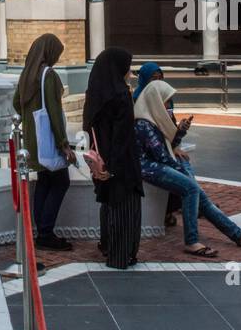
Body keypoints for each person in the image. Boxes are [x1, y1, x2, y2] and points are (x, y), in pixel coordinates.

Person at [133, 80, 241, 257]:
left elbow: (169, 147)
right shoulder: (144, 124)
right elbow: (162, 155)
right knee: (191, 188)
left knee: (199, 195)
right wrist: (185, 175)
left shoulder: (155, 119)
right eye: (165, 101)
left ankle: (238, 235)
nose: (168, 105)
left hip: (160, 164)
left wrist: (180, 132)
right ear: (155, 101)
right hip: (148, 168)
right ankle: (191, 241)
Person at [13, 33, 77, 251]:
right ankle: (46, 232)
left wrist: (29, 117)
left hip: (33, 139)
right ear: (49, 52)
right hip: (48, 138)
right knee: (60, 182)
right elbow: (54, 111)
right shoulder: (48, 75)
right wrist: (63, 143)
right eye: (57, 53)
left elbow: (15, 103)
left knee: (44, 180)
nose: (57, 58)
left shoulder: (27, 73)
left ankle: (41, 230)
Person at [82, 47, 143, 269]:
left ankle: (108, 248)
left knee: (108, 205)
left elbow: (90, 130)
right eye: (127, 67)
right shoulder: (121, 96)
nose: (129, 71)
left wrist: (103, 166)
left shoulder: (95, 95)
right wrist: (115, 168)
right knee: (126, 207)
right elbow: (123, 136)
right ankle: (122, 255)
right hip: (121, 164)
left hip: (100, 161)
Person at [132, 61, 191, 226]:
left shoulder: (167, 101)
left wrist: (178, 132)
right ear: (144, 80)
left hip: (166, 145)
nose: (158, 82)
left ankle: (197, 203)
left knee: (186, 166)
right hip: (151, 153)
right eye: (153, 78)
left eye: (160, 78)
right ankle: (188, 205)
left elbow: (170, 121)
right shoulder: (136, 100)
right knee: (179, 172)